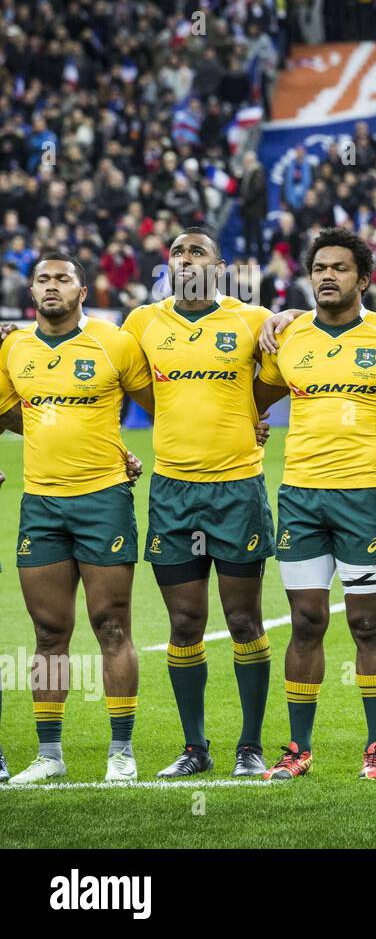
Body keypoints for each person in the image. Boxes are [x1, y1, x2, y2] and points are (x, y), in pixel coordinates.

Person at [256, 228, 376, 781]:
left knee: (366, 623)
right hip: (301, 497)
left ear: (364, 279)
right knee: (306, 621)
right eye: (319, 268)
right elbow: (251, 397)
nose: (327, 276)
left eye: (340, 268)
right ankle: (298, 749)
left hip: (362, 497)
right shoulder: (289, 336)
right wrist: (251, 423)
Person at [122, 226, 279, 778]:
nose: (186, 259)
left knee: (243, 620)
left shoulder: (253, 319)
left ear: (220, 266)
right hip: (172, 491)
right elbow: (134, 389)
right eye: (177, 252)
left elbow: (287, 372)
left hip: (237, 489)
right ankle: (195, 747)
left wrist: (246, 412)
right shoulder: (142, 323)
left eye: (197, 252)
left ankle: (250, 746)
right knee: (186, 622)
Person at [1, 253, 154, 784]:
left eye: (62, 279)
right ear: (31, 291)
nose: (52, 286)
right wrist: (51, 429)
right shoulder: (14, 347)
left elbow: (162, 404)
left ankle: (121, 751)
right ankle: (49, 754)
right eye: (42, 279)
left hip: (103, 500)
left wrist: (116, 448)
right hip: (40, 504)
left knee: (111, 625)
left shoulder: (114, 342)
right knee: (48, 633)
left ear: (82, 292)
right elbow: (7, 411)